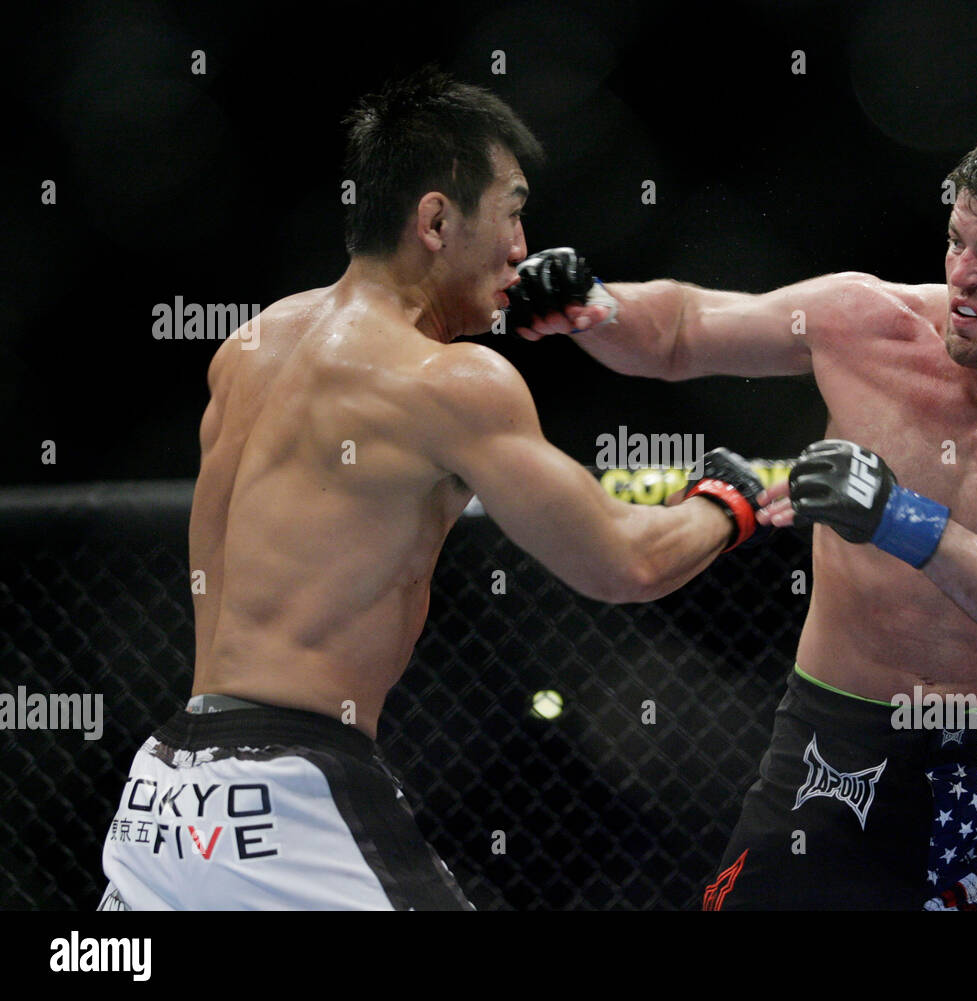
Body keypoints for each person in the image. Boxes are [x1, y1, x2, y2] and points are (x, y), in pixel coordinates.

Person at [96, 66, 766, 911]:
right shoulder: (451, 383)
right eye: (514, 210)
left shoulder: (250, 345)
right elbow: (623, 563)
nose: (524, 246)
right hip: (290, 802)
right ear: (438, 220)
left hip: (162, 797)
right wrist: (726, 501)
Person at [510, 123, 977, 909]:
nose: (962, 274)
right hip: (832, 750)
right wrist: (596, 303)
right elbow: (684, 330)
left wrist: (903, 520)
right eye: (956, 240)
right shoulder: (866, 323)